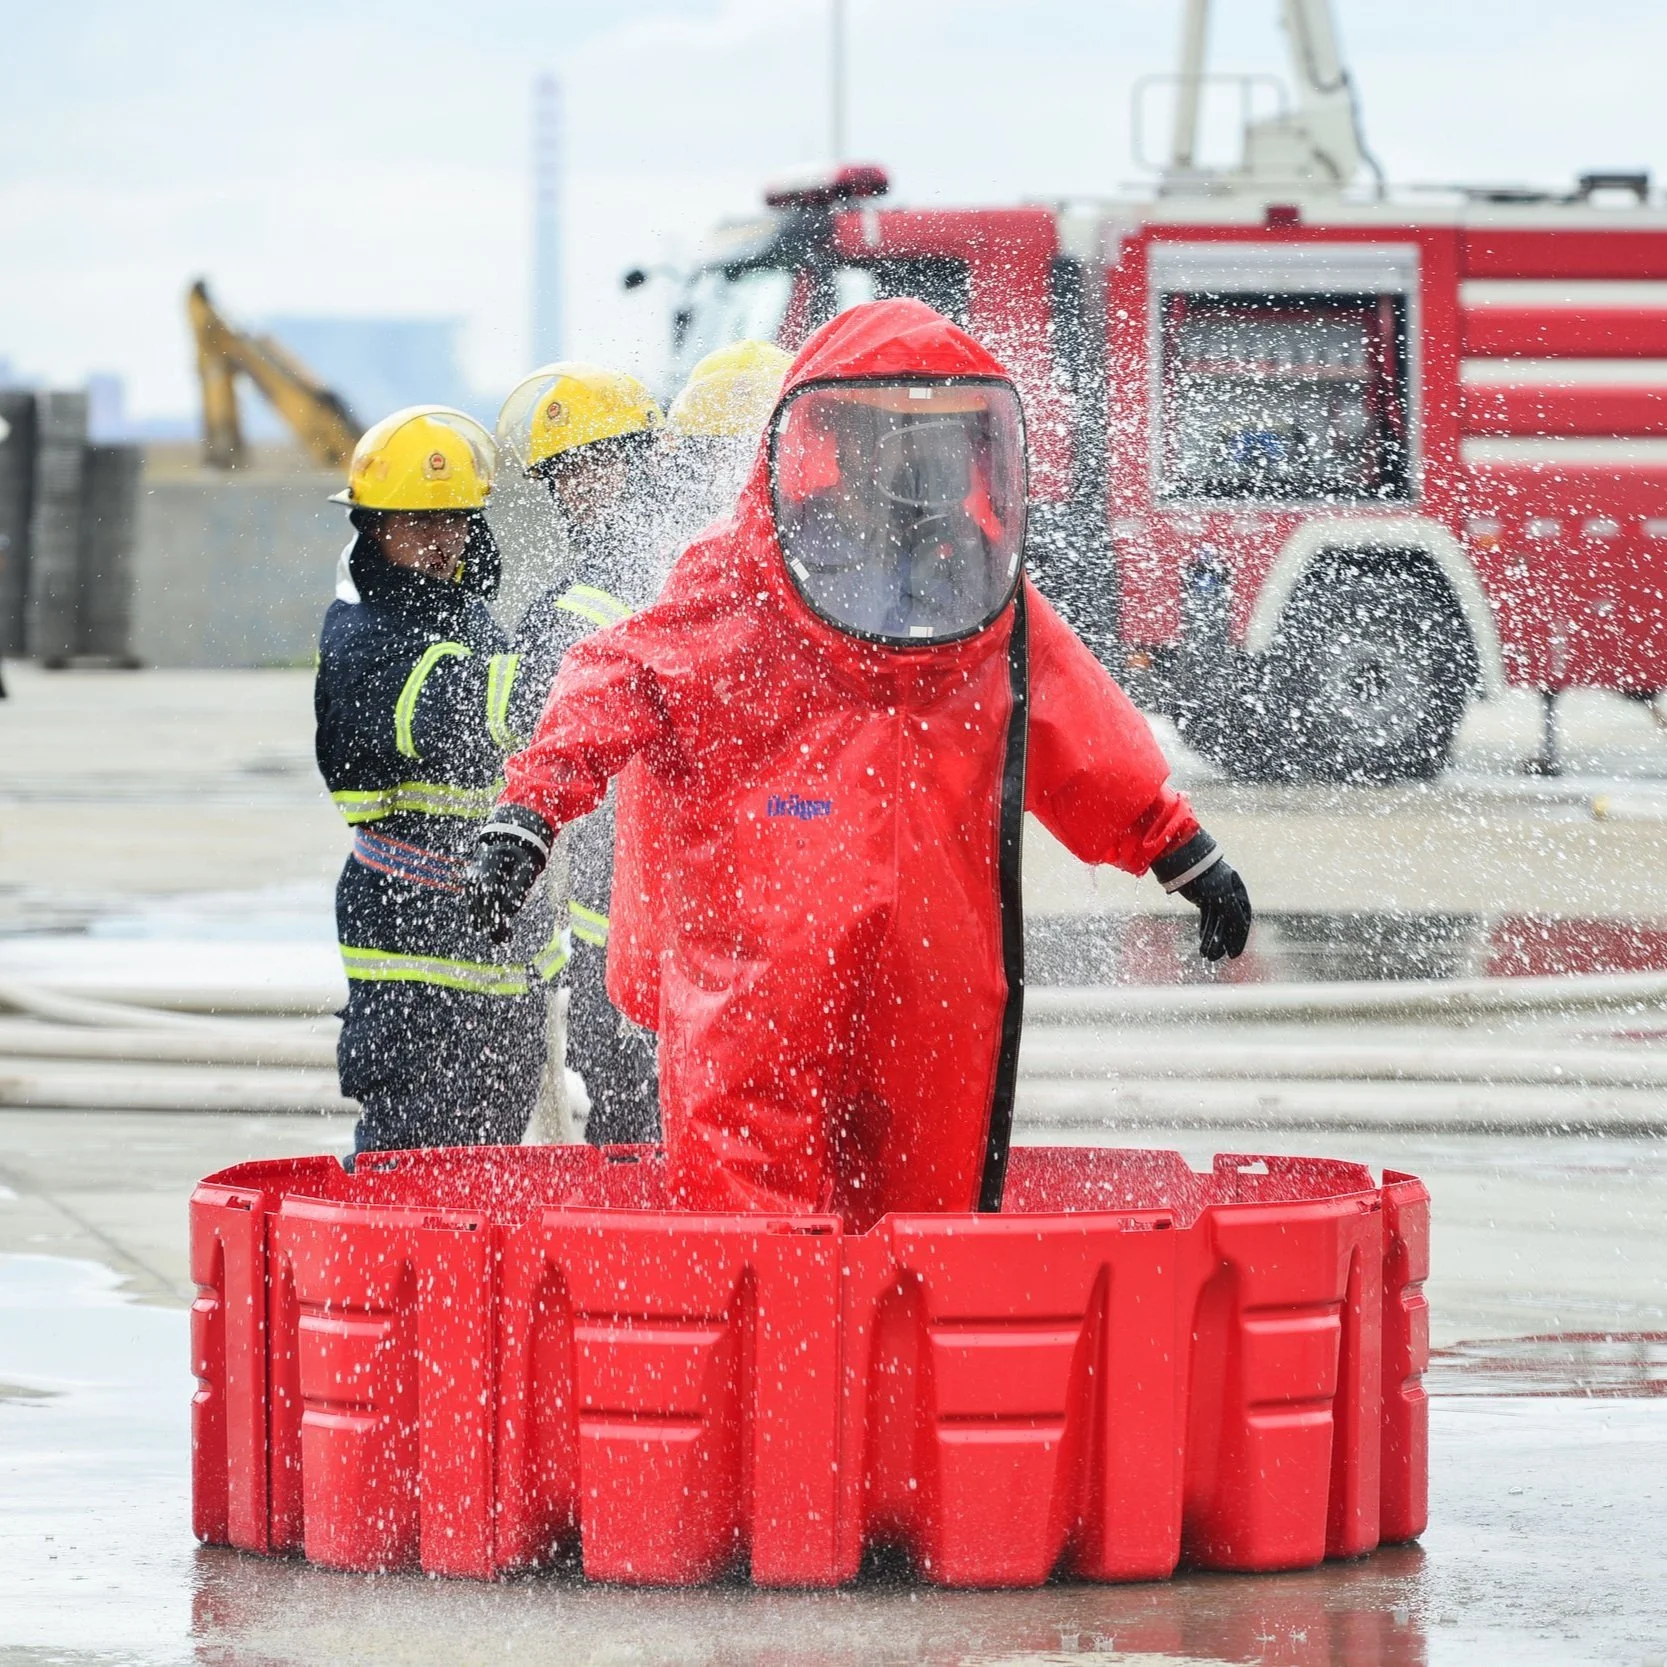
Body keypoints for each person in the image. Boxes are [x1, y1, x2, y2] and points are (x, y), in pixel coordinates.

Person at [465, 300, 1253, 1226]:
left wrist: (1178, 847)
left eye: (936, 439)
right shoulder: (747, 574)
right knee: (756, 1227)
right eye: (888, 436)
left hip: (928, 976)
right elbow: (619, 678)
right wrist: (529, 813)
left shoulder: (981, 592)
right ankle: (772, 1327)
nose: (912, 463)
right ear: (828, 438)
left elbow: (1071, 721)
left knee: (920, 1228)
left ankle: (882, 1329)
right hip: (761, 975)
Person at [315, 405, 558, 1157]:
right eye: (418, 523)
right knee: (412, 1150)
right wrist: (575, 652)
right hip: (412, 941)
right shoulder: (364, 639)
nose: (440, 541)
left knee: (489, 1150)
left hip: (488, 929)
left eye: (454, 521)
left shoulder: (463, 614)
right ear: (373, 530)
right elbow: (466, 708)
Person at [495, 363, 665, 1145]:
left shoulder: (670, 572)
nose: (579, 489)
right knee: (631, 1119)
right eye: (564, 475)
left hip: (655, 913)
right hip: (614, 921)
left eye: (595, 465)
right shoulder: (576, 599)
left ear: (640, 462)